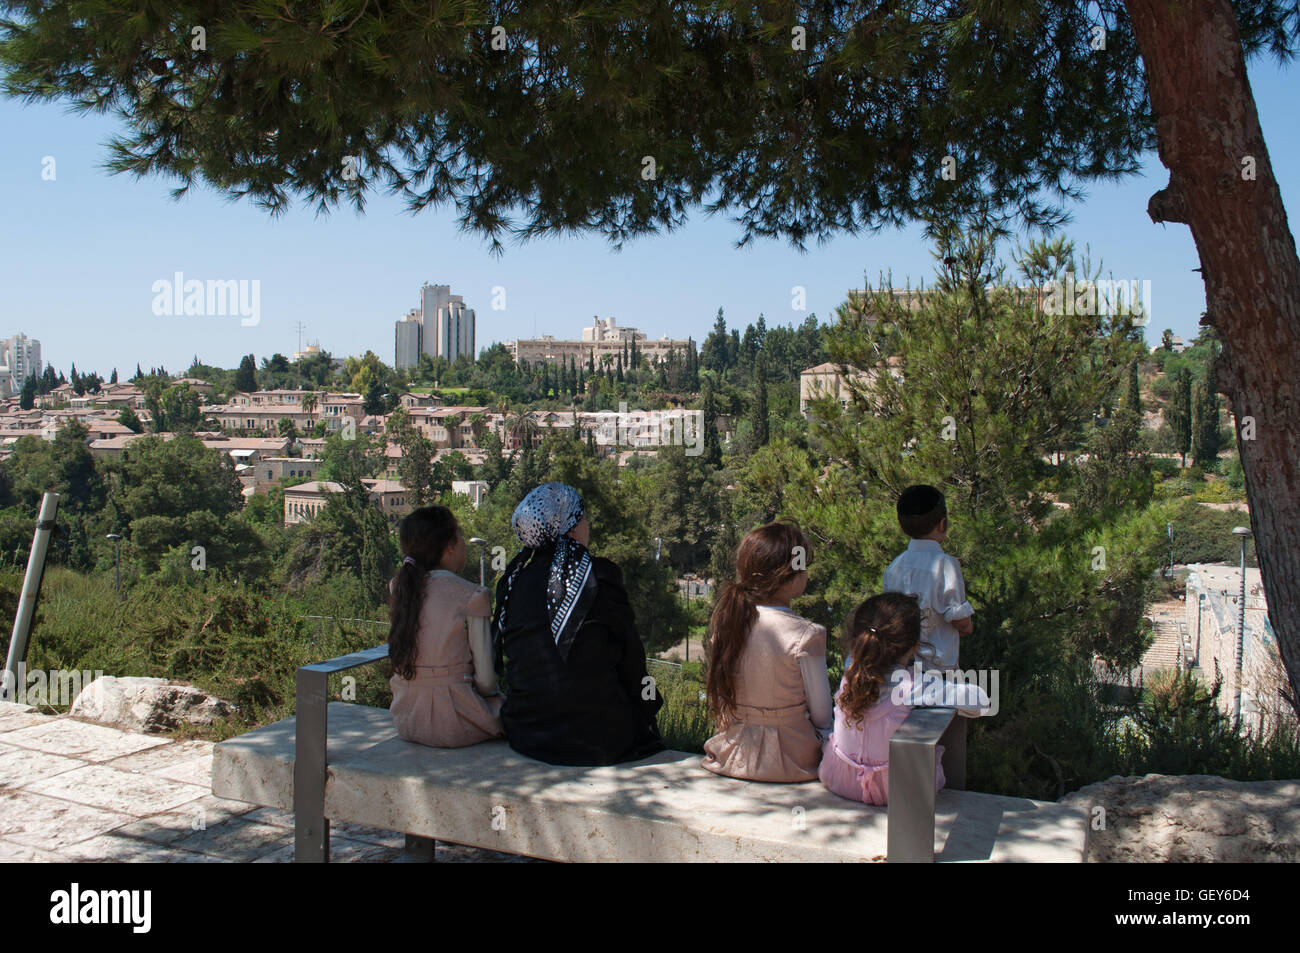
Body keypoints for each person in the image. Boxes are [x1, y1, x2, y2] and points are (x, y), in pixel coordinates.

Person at [492, 482, 663, 766]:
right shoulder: (599, 577)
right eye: (583, 517)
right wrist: (648, 706)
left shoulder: (512, 582)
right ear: (571, 527)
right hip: (599, 740)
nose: (588, 524)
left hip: (527, 734)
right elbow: (631, 659)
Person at [819, 592, 988, 806]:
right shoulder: (915, 687)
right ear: (915, 646)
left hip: (840, 778)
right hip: (898, 791)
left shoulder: (849, 675)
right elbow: (980, 702)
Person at [702, 519, 832, 783]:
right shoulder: (808, 634)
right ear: (791, 574)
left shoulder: (728, 624)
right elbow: (822, 715)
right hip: (794, 759)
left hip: (733, 754)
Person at [388, 505, 504, 748]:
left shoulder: (400, 588)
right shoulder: (472, 595)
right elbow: (486, 681)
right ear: (449, 546)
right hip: (456, 722)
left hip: (407, 717)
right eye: (460, 535)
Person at [882, 484, 974, 669]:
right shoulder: (946, 564)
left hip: (903, 668)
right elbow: (959, 618)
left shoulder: (894, 567)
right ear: (942, 523)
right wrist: (967, 627)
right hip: (939, 669)